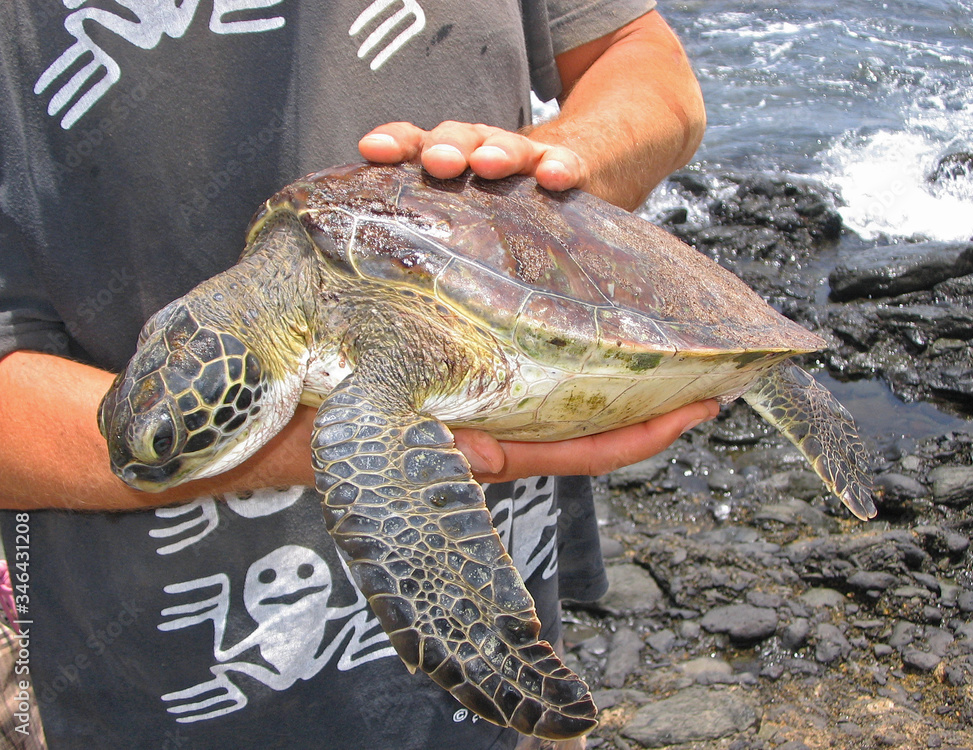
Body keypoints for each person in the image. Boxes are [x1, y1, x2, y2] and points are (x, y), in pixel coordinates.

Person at [0, 2, 708, 748]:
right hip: (160, 695)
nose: (151, 471)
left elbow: (640, 58)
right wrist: (330, 435)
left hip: (495, 669)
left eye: (169, 446)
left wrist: (552, 177)